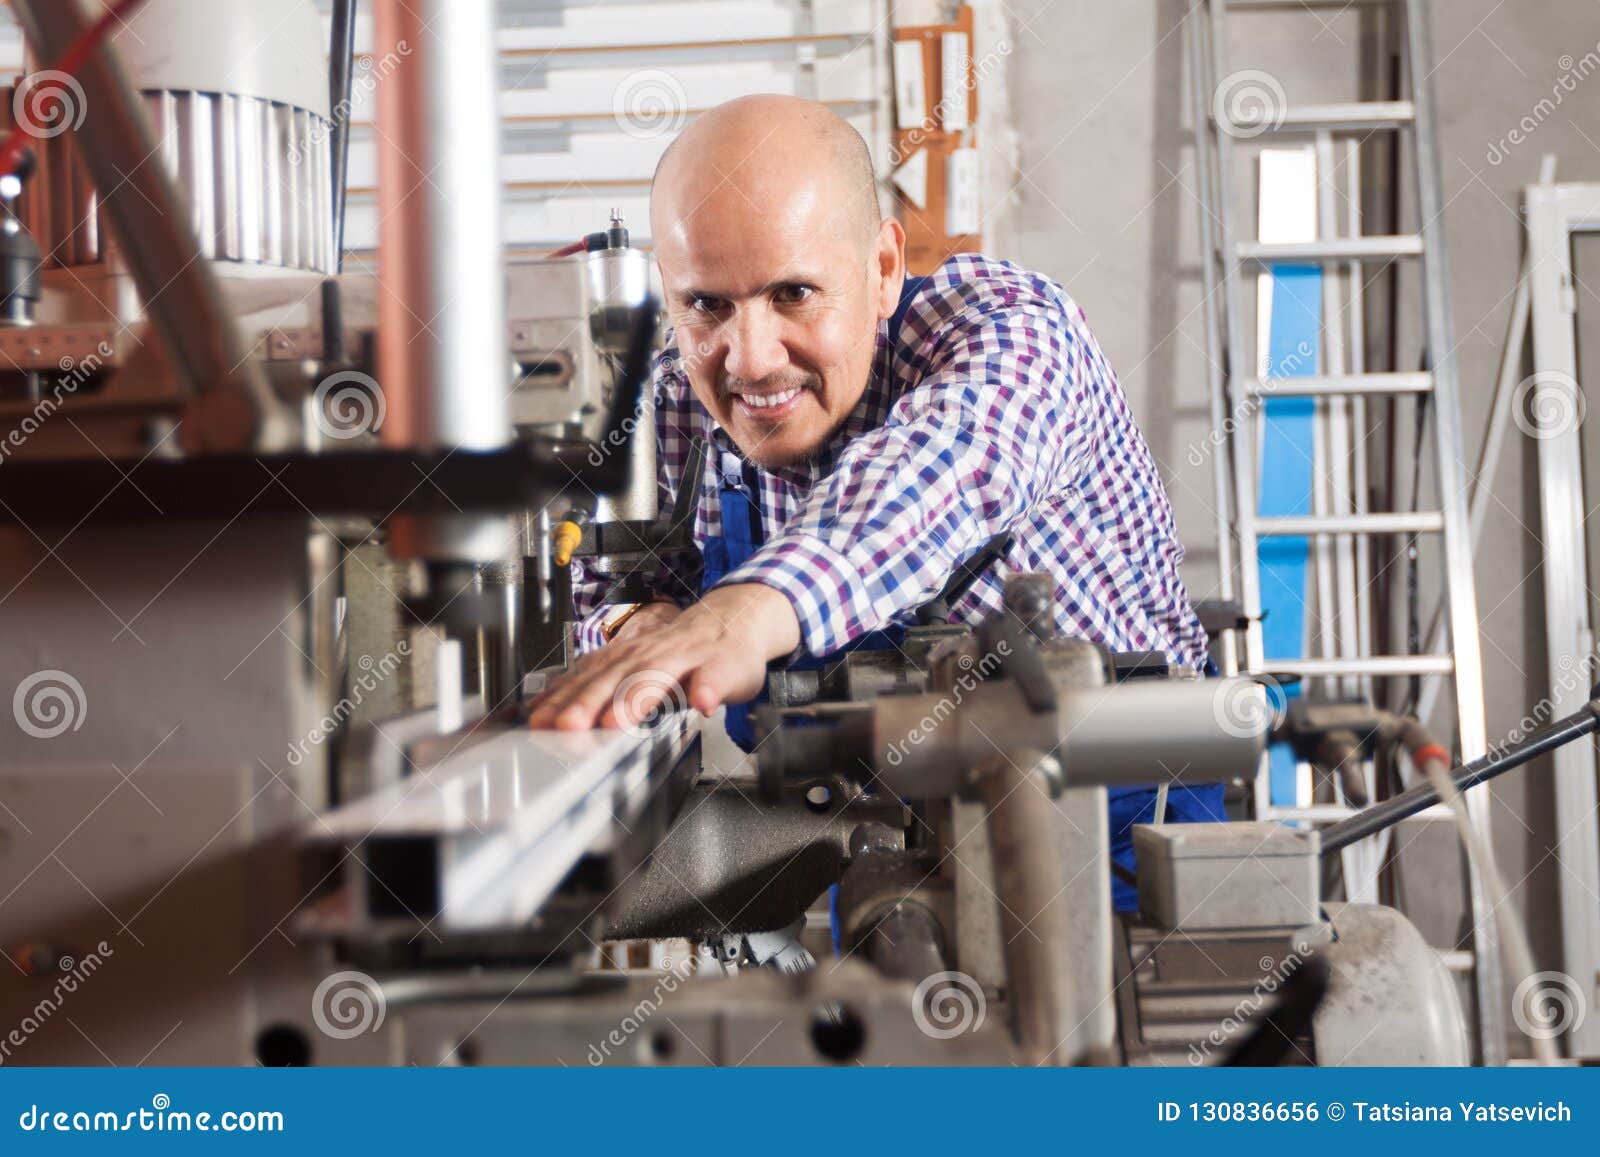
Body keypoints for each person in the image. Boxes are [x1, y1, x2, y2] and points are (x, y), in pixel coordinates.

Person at [527, 96, 1219, 892]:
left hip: (1126, 831)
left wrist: (747, 610)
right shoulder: (675, 397)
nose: (748, 360)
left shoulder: (1012, 333)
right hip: (881, 841)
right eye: (707, 304)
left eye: (792, 293)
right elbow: (602, 576)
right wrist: (632, 621)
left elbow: (934, 478)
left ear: (883, 269)